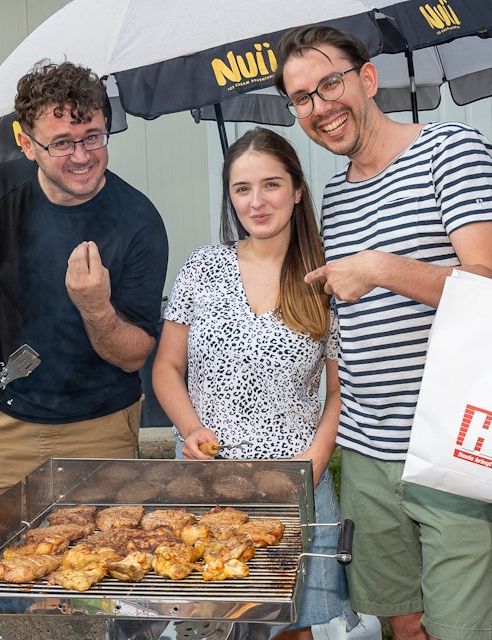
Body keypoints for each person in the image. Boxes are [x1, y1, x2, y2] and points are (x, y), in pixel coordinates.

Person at [273, 25, 492, 640]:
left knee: (457, 631)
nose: (320, 107)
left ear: (368, 79)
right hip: (364, 449)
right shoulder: (332, 195)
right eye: (302, 98)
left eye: (331, 84)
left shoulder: (450, 149)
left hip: (450, 446)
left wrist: (381, 268)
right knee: (401, 626)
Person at [0, 60, 169, 559]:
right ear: (25, 143)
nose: (82, 156)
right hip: (5, 421)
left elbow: (134, 355)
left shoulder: (138, 221)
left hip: (102, 426)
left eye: (93, 137)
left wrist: (96, 308)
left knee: (100, 569)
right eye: (62, 143)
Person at [152, 127, 359, 640]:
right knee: (208, 622)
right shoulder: (202, 267)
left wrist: (315, 462)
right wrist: (190, 429)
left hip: (294, 480)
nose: (256, 201)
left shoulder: (328, 279)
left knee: (292, 628)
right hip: (206, 478)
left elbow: (340, 389)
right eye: (242, 189)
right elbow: (167, 366)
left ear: (297, 190)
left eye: (271, 184)